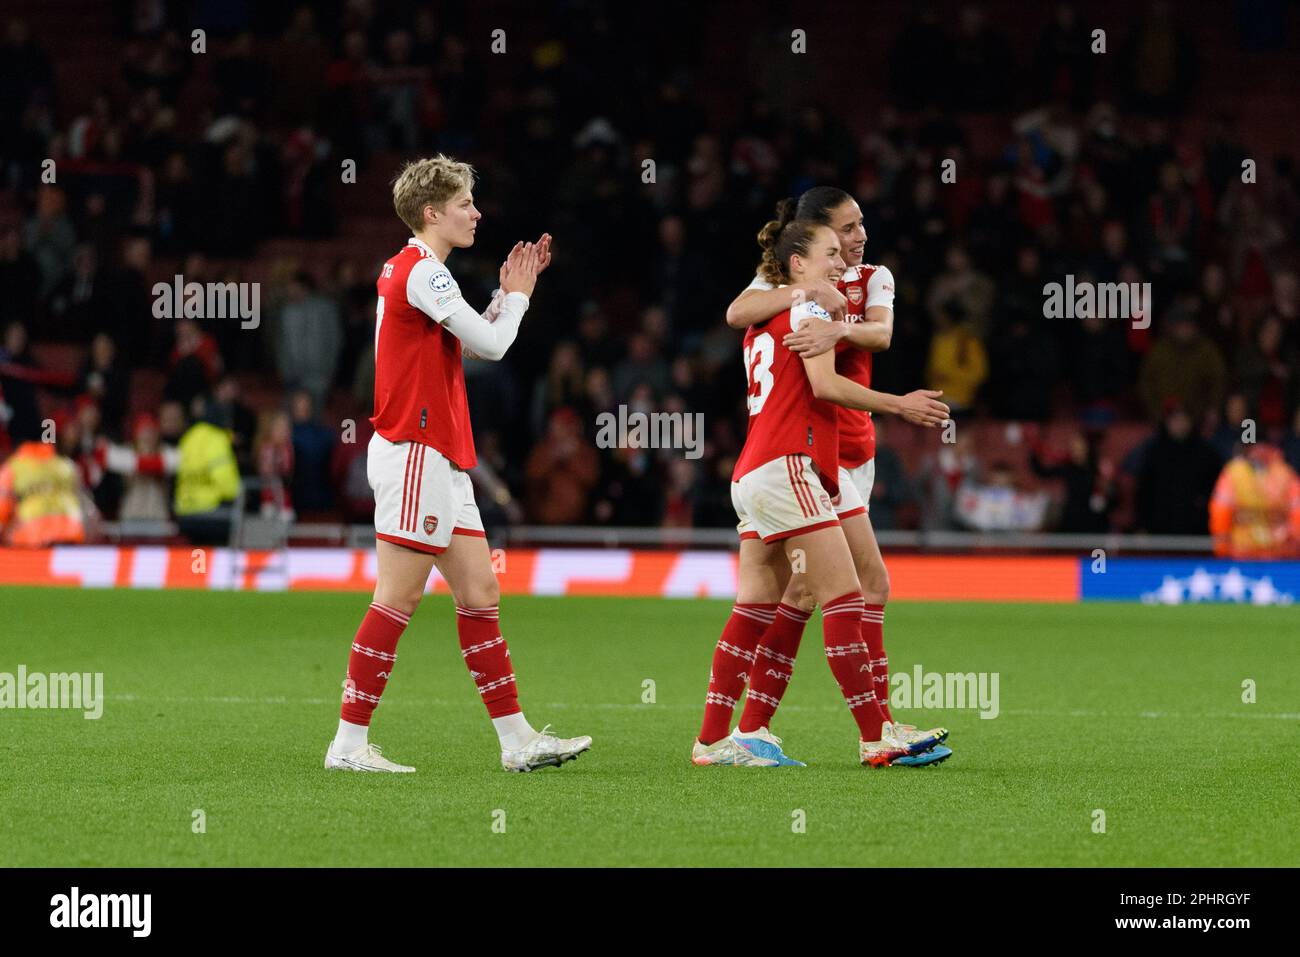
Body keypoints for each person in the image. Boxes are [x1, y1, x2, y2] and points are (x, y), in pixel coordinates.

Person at [325, 154, 591, 774]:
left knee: (480, 591)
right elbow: (493, 346)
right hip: (415, 453)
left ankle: (517, 739)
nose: (477, 212)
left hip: (440, 458)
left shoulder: (420, 271)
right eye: (466, 202)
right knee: (396, 598)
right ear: (432, 212)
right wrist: (519, 300)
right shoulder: (423, 271)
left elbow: (473, 337)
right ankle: (348, 744)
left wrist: (503, 294)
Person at [692, 209, 950, 769]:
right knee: (846, 595)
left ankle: (713, 741)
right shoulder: (804, 301)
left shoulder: (770, 311)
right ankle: (875, 734)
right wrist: (899, 404)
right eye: (830, 252)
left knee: (756, 607)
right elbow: (826, 384)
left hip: (753, 471)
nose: (842, 260)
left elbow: (747, 318)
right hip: (788, 463)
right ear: (798, 263)